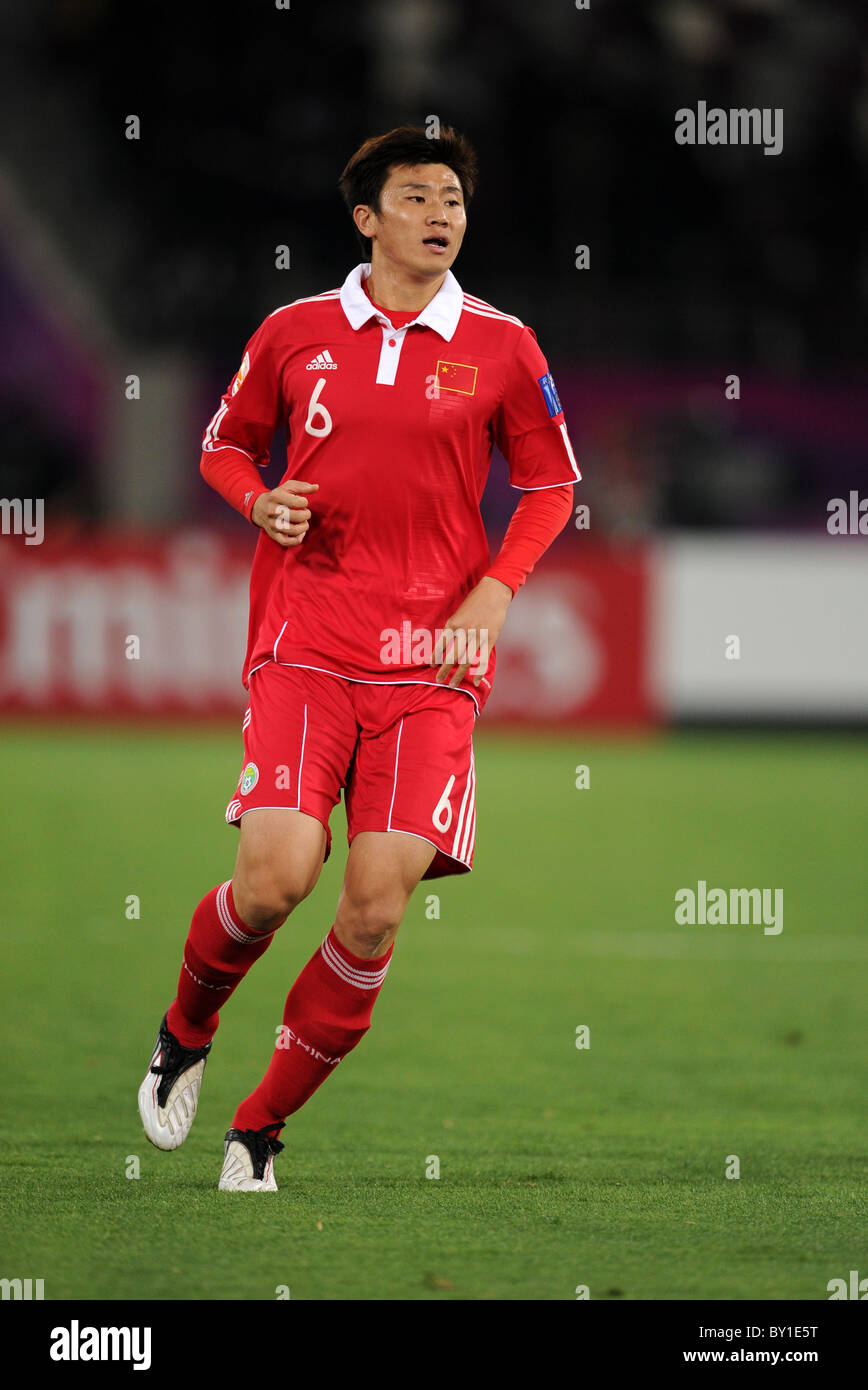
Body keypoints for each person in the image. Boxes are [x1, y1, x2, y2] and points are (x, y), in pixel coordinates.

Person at [137, 124, 580, 1191]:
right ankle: (184, 1031)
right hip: (309, 641)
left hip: (429, 662)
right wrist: (260, 500)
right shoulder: (294, 331)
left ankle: (258, 1130)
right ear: (366, 219)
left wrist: (493, 589)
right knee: (277, 877)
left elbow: (551, 486)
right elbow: (223, 443)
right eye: (418, 197)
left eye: (455, 202)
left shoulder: (504, 344)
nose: (441, 215)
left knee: (376, 905)